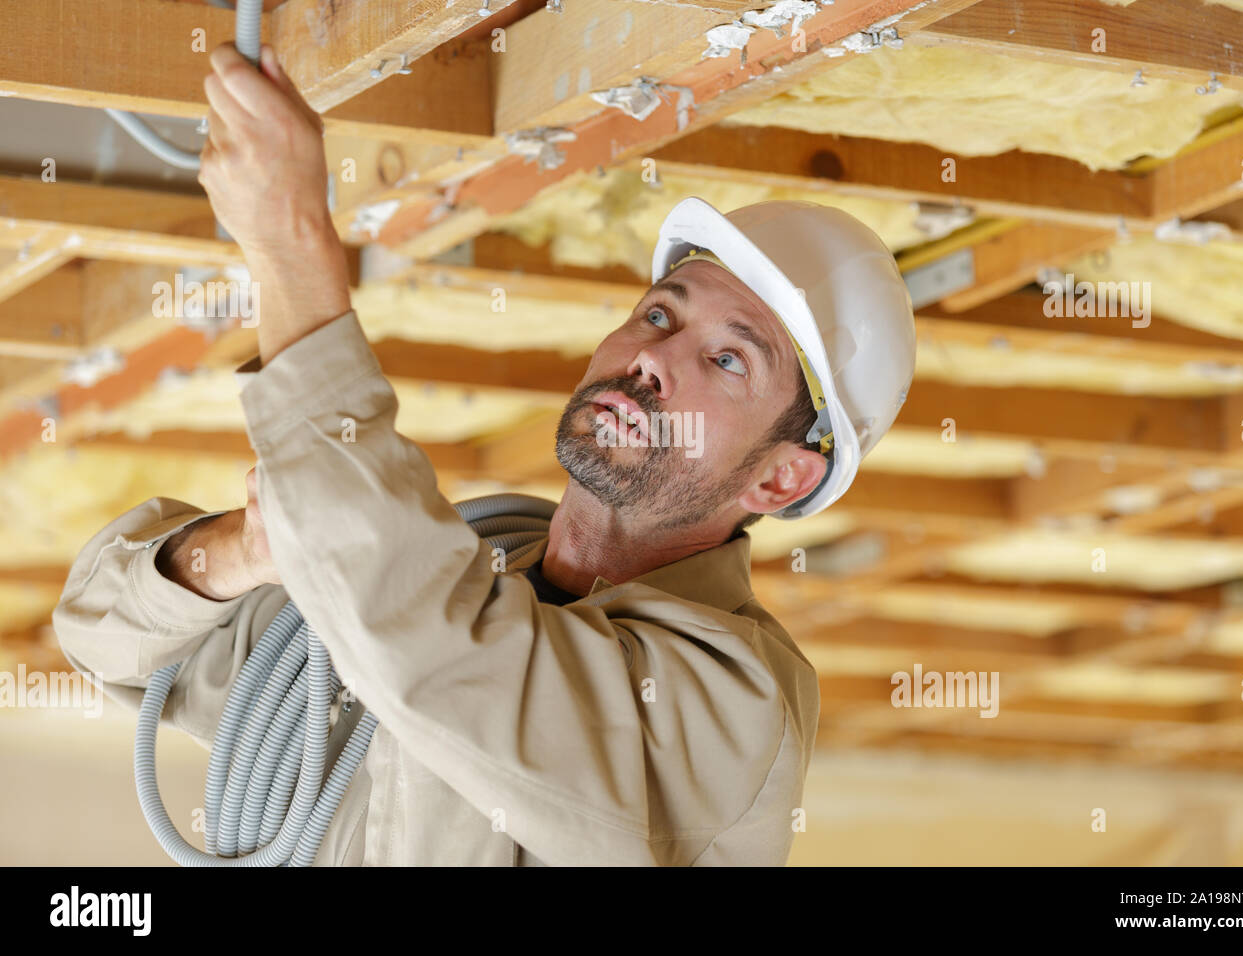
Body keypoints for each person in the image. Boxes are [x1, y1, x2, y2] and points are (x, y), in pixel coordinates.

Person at [52, 42, 916, 865]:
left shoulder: (734, 704)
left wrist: (290, 244)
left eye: (728, 359)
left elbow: (437, 650)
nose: (655, 356)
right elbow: (103, 632)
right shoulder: (465, 572)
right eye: (661, 314)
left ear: (780, 476)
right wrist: (242, 552)